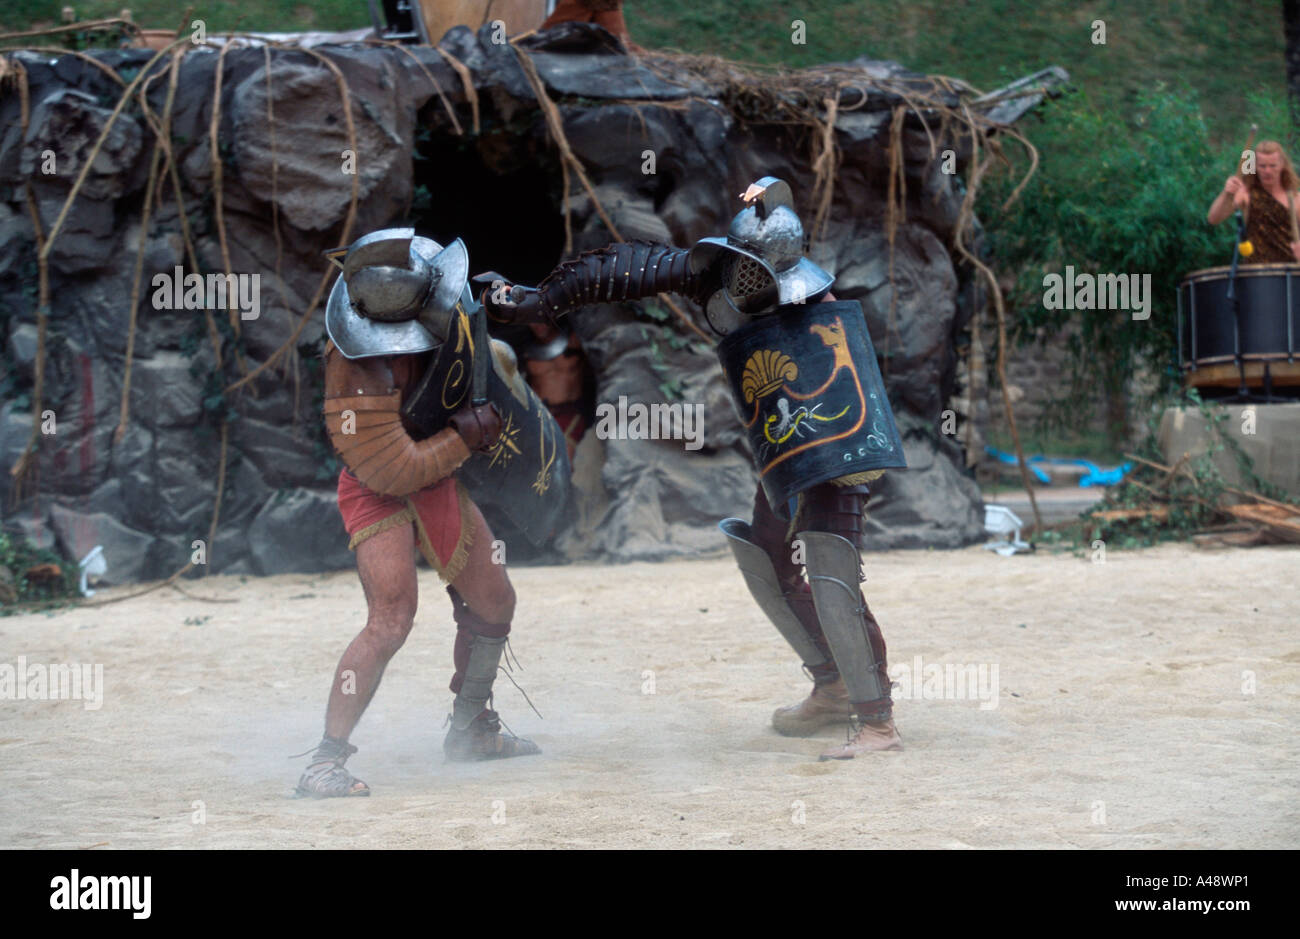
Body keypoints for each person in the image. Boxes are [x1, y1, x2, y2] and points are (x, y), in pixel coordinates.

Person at [485, 178, 908, 759]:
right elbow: (628, 269)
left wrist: (849, 471)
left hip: (832, 442)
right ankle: (833, 686)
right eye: (745, 269)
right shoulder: (715, 273)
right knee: (765, 556)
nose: (750, 282)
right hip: (782, 444)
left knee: (831, 566)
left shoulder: (819, 312)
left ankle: (878, 720)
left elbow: (848, 398)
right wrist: (541, 300)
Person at [295, 229, 544, 798]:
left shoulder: (434, 297)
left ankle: (472, 729)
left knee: (494, 601)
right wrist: (463, 439)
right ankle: (323, 763)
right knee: (391, 618)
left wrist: (504, 303)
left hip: (433, 476)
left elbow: (467, 356)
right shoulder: (354, 368)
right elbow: (389, 471)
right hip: (378, 483)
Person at [1207, 140, 1300, 263]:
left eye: (1273, 166)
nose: (1267, 171)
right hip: (1254, 272)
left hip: (1289, 272)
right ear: (1255, 165)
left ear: (1282, 165)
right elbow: (1214, 218)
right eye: (1262, 166)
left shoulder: (1295, 198)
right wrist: (1227, 193)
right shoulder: (1246, 193)